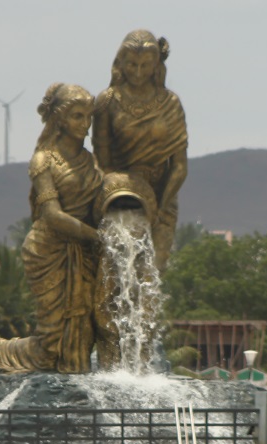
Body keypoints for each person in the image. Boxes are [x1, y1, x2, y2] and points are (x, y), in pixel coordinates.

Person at [0, 83, 104, 375]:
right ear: (60, 118)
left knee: (82, 335)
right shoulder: (44, 161)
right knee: (51, 342)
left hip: (84, 254)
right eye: (77, 116)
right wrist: (95, 236)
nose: (85, 124)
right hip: (49, 252)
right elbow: (52, 215)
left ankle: (76, 409)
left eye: (89, 116)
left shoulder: (92, 161)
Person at [92, 29, 188, 270]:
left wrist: (160, 208)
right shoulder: (107, 101)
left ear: (156, 65)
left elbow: (179, 166)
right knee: (116, 272)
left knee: (153, 271)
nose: (137, 72)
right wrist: (118, 191)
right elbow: (102, 160)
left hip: (162, 194)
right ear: (120, 63)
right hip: (121, 197)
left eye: (145, 65)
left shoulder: (170, 103)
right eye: (132, 64)